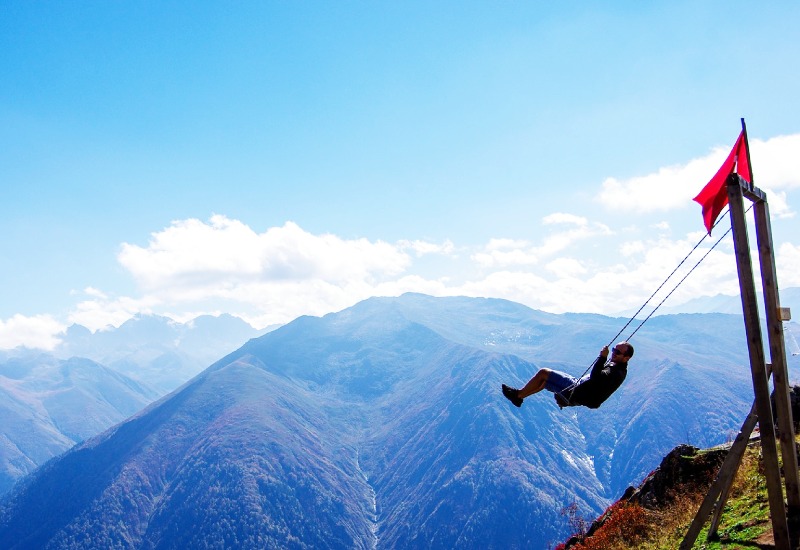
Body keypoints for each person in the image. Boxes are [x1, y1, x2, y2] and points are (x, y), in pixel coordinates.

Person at [501, 342, 634, 409]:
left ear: (626, 358)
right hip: (580, 387)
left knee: (544, 373)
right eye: (614, 350)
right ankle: (518, 397)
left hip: (577, 390)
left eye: (617, 352)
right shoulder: (619, 366)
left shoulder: (615, 372)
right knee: (544, 381)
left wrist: (602, 358)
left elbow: (595, 377)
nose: (614, 353)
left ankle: (518, 395)